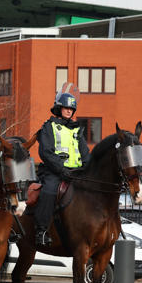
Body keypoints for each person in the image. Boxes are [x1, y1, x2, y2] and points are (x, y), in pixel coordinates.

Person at [33, 88, 91, 247]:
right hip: (54, 172)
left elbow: (85, 152)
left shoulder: (77, 129)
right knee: (49, 191)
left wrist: (88, 168)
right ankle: (42, 230)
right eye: (66, 108)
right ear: (59, 108)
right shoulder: (49, 126)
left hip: (76, 173)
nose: (69, 111)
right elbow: (46, 152)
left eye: (71, 109)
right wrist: (62, 170)